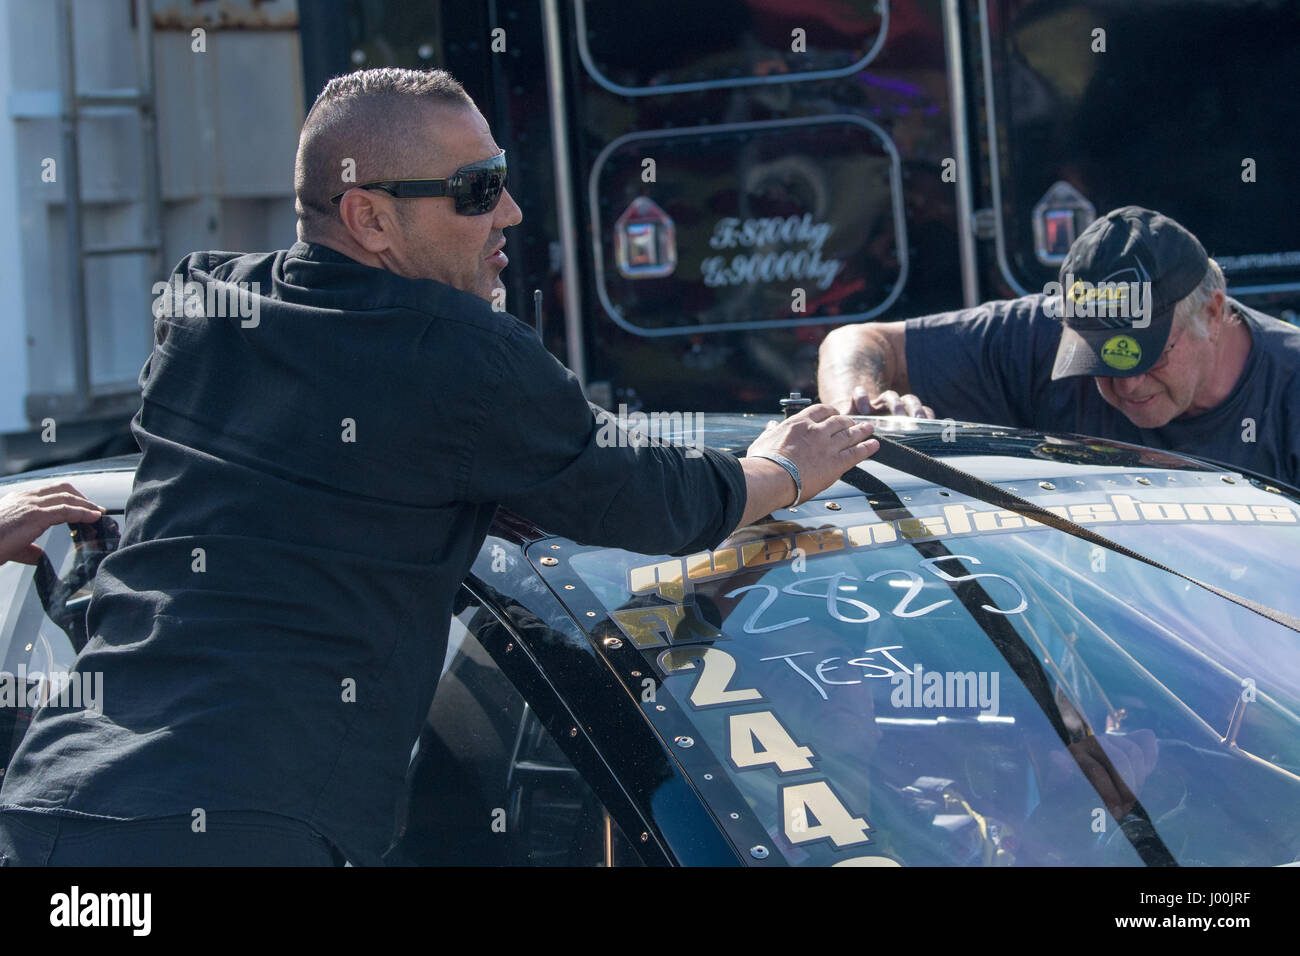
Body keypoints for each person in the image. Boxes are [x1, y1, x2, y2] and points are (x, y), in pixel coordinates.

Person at [0, 68, 880, 867]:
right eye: (476, 191)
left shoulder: (205, 307)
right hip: (237, 831)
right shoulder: (461, 360)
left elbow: (293, 462)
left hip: (48, 813)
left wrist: (448, 480)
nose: (510, 215)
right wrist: (782, 472)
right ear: (368, 216)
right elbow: (658, 502)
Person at [817, 206, 1300, 488]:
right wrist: (857, 404)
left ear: (1212, 315)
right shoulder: (1038, 337)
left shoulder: (1289, 389)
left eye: (1146, 355)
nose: (1127, 383)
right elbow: (858, 340)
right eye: (1099, 359)